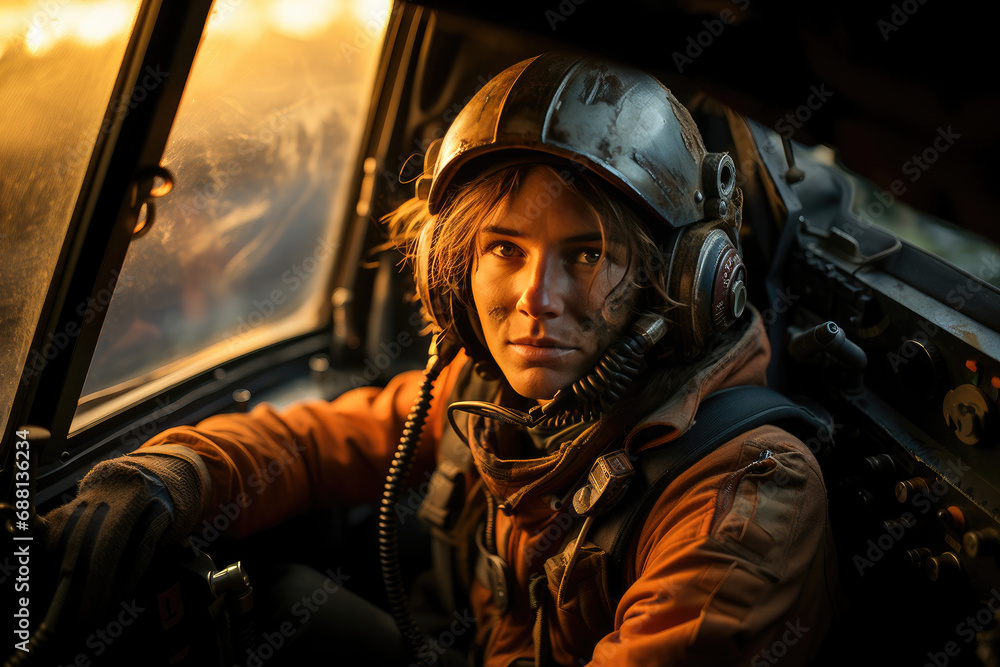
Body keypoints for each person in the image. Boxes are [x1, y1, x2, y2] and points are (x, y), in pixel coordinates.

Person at [40, 52, 838, 666]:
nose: (534, 298)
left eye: (587, 254)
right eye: (503, 248)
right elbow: (313, 447)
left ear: (681, 285)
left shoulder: (746, 497)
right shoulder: (495, 395)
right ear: (453, 271)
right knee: (267, 600)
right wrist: (171, 476)